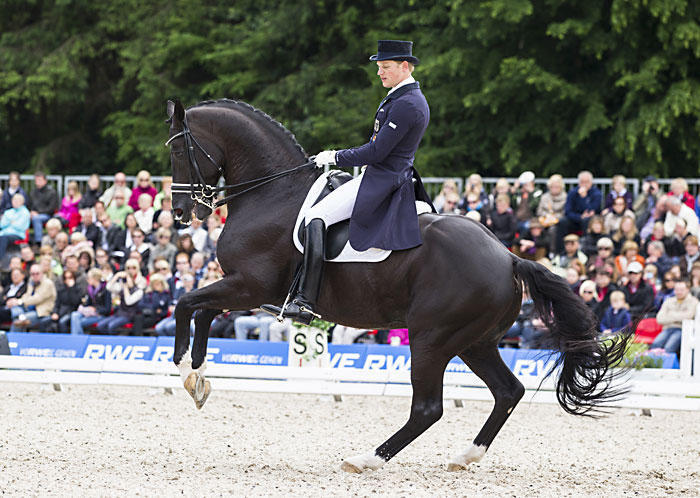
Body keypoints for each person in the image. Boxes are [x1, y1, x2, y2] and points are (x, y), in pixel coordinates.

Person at [262, 40, 434, 324]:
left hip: (383, 178)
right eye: (379, 67)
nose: (379, 72)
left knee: (316, 216)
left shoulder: (408, 103)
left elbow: (377, 151)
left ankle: (305, 302)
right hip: (381, 173)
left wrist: (334, 156)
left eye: (385, 67)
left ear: (405, 66)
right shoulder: (399, 96)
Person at [96, 258, 146, 333]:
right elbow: (108, 287)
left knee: (111, 326)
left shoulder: (140, 286)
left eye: (133, 268)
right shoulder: (123, 283)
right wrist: (117, 276)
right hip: (119, 312)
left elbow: (128, 301)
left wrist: (125, 287)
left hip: (130, 315)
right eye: (128, 268)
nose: (131, 270)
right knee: (100, 325)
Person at [651, 279, 699, 357]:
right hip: (668, 328)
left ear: (687, 290)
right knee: (656, 344)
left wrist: (670, 315)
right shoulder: (669, 301)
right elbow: (659, 318)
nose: (679, 292)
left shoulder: (693, 301)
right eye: (677, 290)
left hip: (682, 330)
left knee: (669, 347)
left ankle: (666, 368)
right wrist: (679, 316)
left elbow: (688, 316)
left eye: (681, 290)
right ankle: (653, 366)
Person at [559, 171, 602, 252]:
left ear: (591, 182)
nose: (584, 184)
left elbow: (592, 210)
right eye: (582, 182)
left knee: (586, 220)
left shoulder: (596, 193)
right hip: (575, 219)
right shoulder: (572, 192)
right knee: (562, 221)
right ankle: (561, 250)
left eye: (587, 182)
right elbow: (567, 211)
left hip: (588, 221)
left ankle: (585, 250)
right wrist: (579, 217)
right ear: (579, 182)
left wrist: (584, 198)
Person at [7, 263, 57, 331]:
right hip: (28, 309)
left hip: (41, 312)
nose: (35, 276)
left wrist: (19, 301)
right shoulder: (31, 281)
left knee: (18, 321)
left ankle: (13, 339)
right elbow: (27, 295)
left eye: (37, 273)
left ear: (42, 273)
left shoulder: (48, 283)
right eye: (33, 274)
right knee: (14, 310)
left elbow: (37, 298)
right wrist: (15, 301)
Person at [70, 268, 111, 335]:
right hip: (90, 313)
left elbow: (107, 309)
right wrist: (84, 308)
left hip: (99, 315)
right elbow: (88, 304)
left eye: (89, 278)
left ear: (95, 278)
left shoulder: (105, 290)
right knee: (74, 315)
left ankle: (77, 340)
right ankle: (78, 339)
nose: (87, 280)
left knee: (78, 322)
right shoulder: (90, 289)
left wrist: (96, 310)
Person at [28, 171, 59, 246]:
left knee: (37, 218)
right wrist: (31, 212)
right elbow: (29, 205)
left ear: (45, 181)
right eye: (36, 180)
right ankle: (23, 241)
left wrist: (38, 213)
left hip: (47, 215)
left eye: (40, 180)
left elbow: (51, 209)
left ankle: (38, 243)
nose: (37, 182)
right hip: (34, 214)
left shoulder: (52, 192)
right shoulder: (33, 192)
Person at [0, 193, 30, 262]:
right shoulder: (8, 212)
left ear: (22, 202)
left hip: (18, 234)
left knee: (3, 239)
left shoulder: (25, 212)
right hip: (4, 233)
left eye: (18, 200)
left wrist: (9, 221)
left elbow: (20, 226)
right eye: (14, 200)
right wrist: (13, 222)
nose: (15, 202)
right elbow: (2, 224)